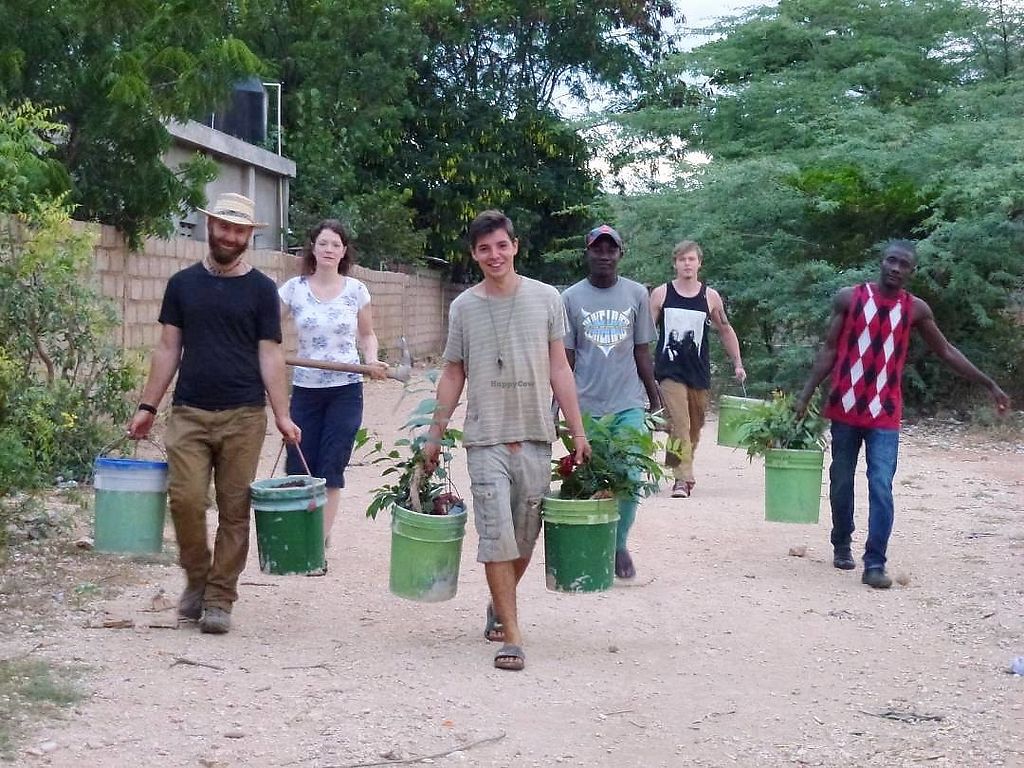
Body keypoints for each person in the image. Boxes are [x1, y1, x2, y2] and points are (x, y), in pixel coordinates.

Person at [423, 210, 590, 672]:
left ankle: (501, 602)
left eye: (501, 245)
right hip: (486, 438)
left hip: (536, 435)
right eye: (484, 249)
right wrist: (434, 434)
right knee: (496, 536)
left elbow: (560, 367)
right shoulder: (464, 307)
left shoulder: (547, 298)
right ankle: (512, 636)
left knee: (524, 536)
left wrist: (577, 430)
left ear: (515, 246)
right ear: (474, 254)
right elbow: (453, 372)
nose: (494, 255)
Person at [128, 192, 301, 634]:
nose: (230, 236)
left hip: (244, 415)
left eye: (239, 230)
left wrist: (282, 415)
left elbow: (270, 353)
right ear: (209, 227)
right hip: (189, 412)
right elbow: (168, 348)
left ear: (248, 236)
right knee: (185, 500)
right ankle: (197, 577)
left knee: (234, 509)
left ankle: (220, 597)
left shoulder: (262, 290)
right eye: (224, 226)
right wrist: (148, 406)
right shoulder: (182, 284)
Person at [796, 241, 1010, 588]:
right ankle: (841, 541)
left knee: (881, 484)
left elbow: (946, 351)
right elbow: (829, 350)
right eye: (891, 261)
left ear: (912, 271)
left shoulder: (915, 310)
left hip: (885, 412)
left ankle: (875, 564)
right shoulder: (849, 298)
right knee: (841, 480)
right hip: (845, 407)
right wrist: (804, 396)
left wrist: (989, 384)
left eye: (904, 264)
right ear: (881, 262)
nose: (896, 268)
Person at [278, 219, 388, 559]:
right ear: (313, 248)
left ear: (344, 252)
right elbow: (267, 328)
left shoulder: (356, 290)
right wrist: (262, 351)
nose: (328, 249)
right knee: (299, 464)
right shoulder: (293, 289)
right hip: (305, 389)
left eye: (335, 245)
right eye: (323, 243)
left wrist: (372, 359)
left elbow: (367, 335)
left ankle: (317, 545)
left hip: (345, 390)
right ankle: (298, 535)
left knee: (331, 464)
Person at [561, 224, 661, 580]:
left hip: (628, 403)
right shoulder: (570, 298)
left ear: (621, 254)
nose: (604, 256)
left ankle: (618, 544)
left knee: (630, 476)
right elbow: (566, 359)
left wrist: (654, 400)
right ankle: (592, 546)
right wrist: (557, 406)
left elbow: (642, 351)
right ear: (587, 253)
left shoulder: (636, 294)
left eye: (611, 249)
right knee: (591, 478)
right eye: (597, 249)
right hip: (587, 407)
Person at [650, 240, 746, 498]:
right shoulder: (661, 294)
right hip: (669, 370)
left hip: (698, 370)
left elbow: (725, 329)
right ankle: (682, 479)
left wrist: (737, 362)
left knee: (694, 426)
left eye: (691, 259)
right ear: (675, 263)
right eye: (682, 259)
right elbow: (644, 332)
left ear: (699, 263)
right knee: (680, 423)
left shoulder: (710, 297)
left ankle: (677, 462)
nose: (687, 264)